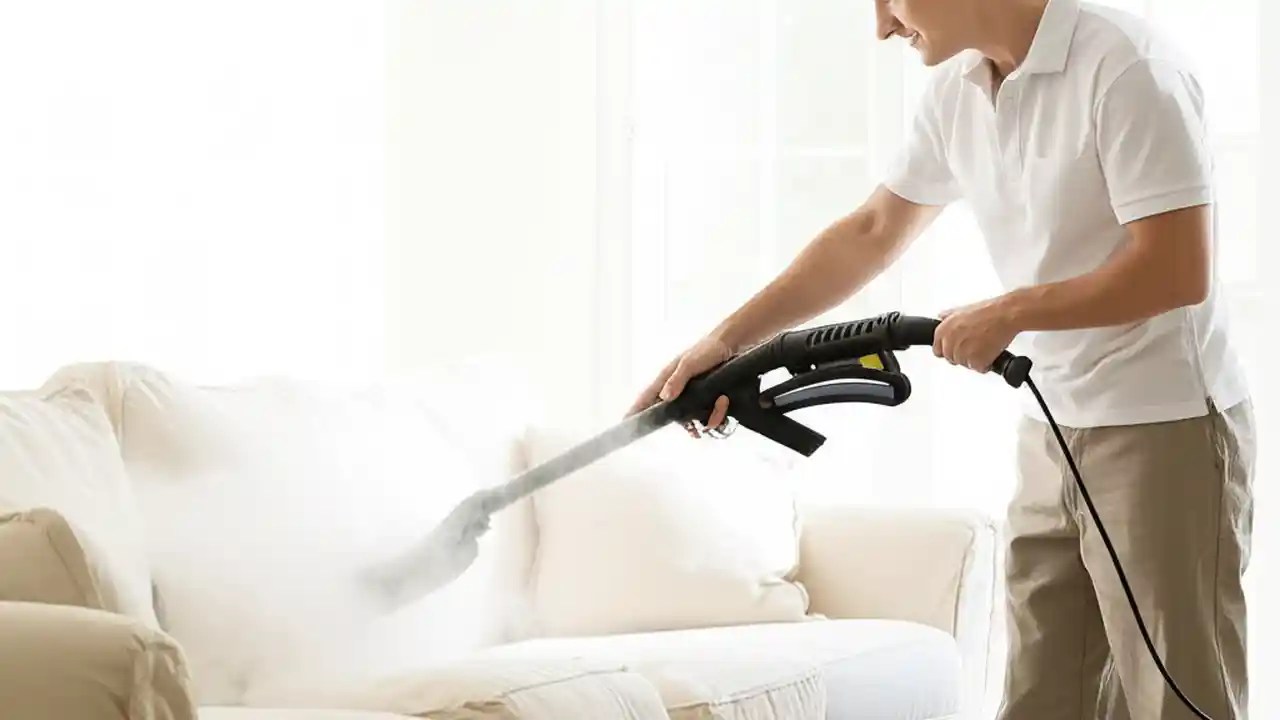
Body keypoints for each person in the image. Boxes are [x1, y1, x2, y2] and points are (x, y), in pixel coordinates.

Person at [627, 0, 1256, 718]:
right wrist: (728, 341)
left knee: (1176, 698)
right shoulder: (960, 91)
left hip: (1162, 425)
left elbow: (1175, 270)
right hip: (1052, 427)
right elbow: (872, 231)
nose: (882, 25)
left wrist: (1011, 311)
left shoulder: (1129, 69)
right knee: (1040, 697)